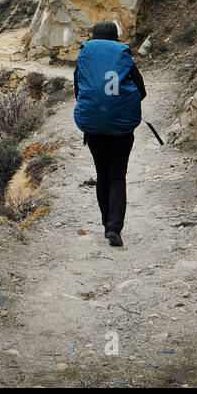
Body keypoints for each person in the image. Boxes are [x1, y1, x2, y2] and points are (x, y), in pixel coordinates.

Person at [72, 21, 145, 247]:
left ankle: (106, 226)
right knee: (117, 176)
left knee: (102, 175)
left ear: (94, 37)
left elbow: (78, 91)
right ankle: (115, 227)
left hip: (94, 128)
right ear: (115, 38)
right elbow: (141, 91)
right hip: (121, 129)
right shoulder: (123, 57)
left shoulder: (85, 58)